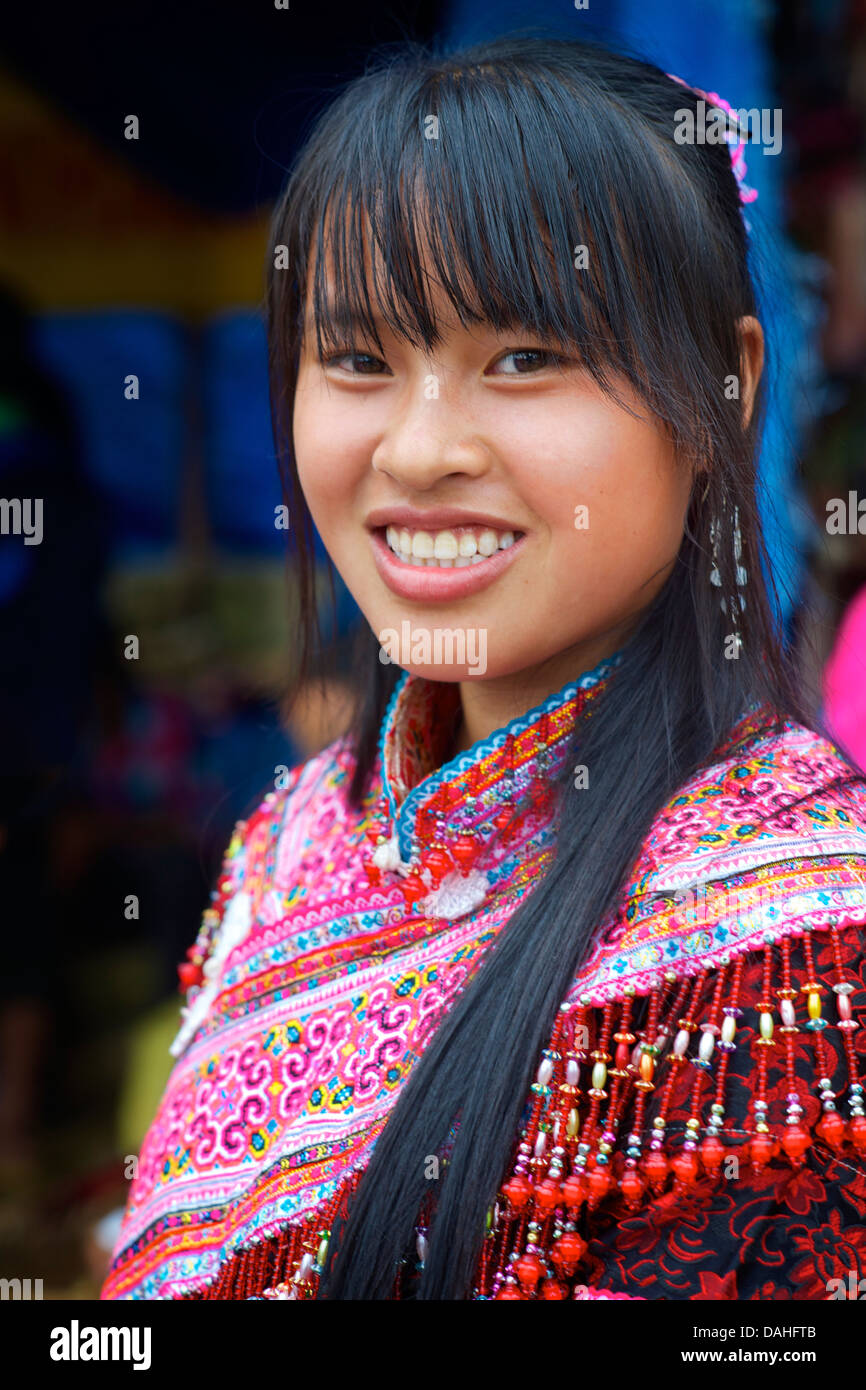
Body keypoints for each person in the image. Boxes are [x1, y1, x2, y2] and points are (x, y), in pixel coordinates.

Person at [102, 36, 866, 1302]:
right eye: (356, 359)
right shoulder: (282, 850)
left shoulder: (800, 949)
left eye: (523, 357)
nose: (417, 449)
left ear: (724, 387)